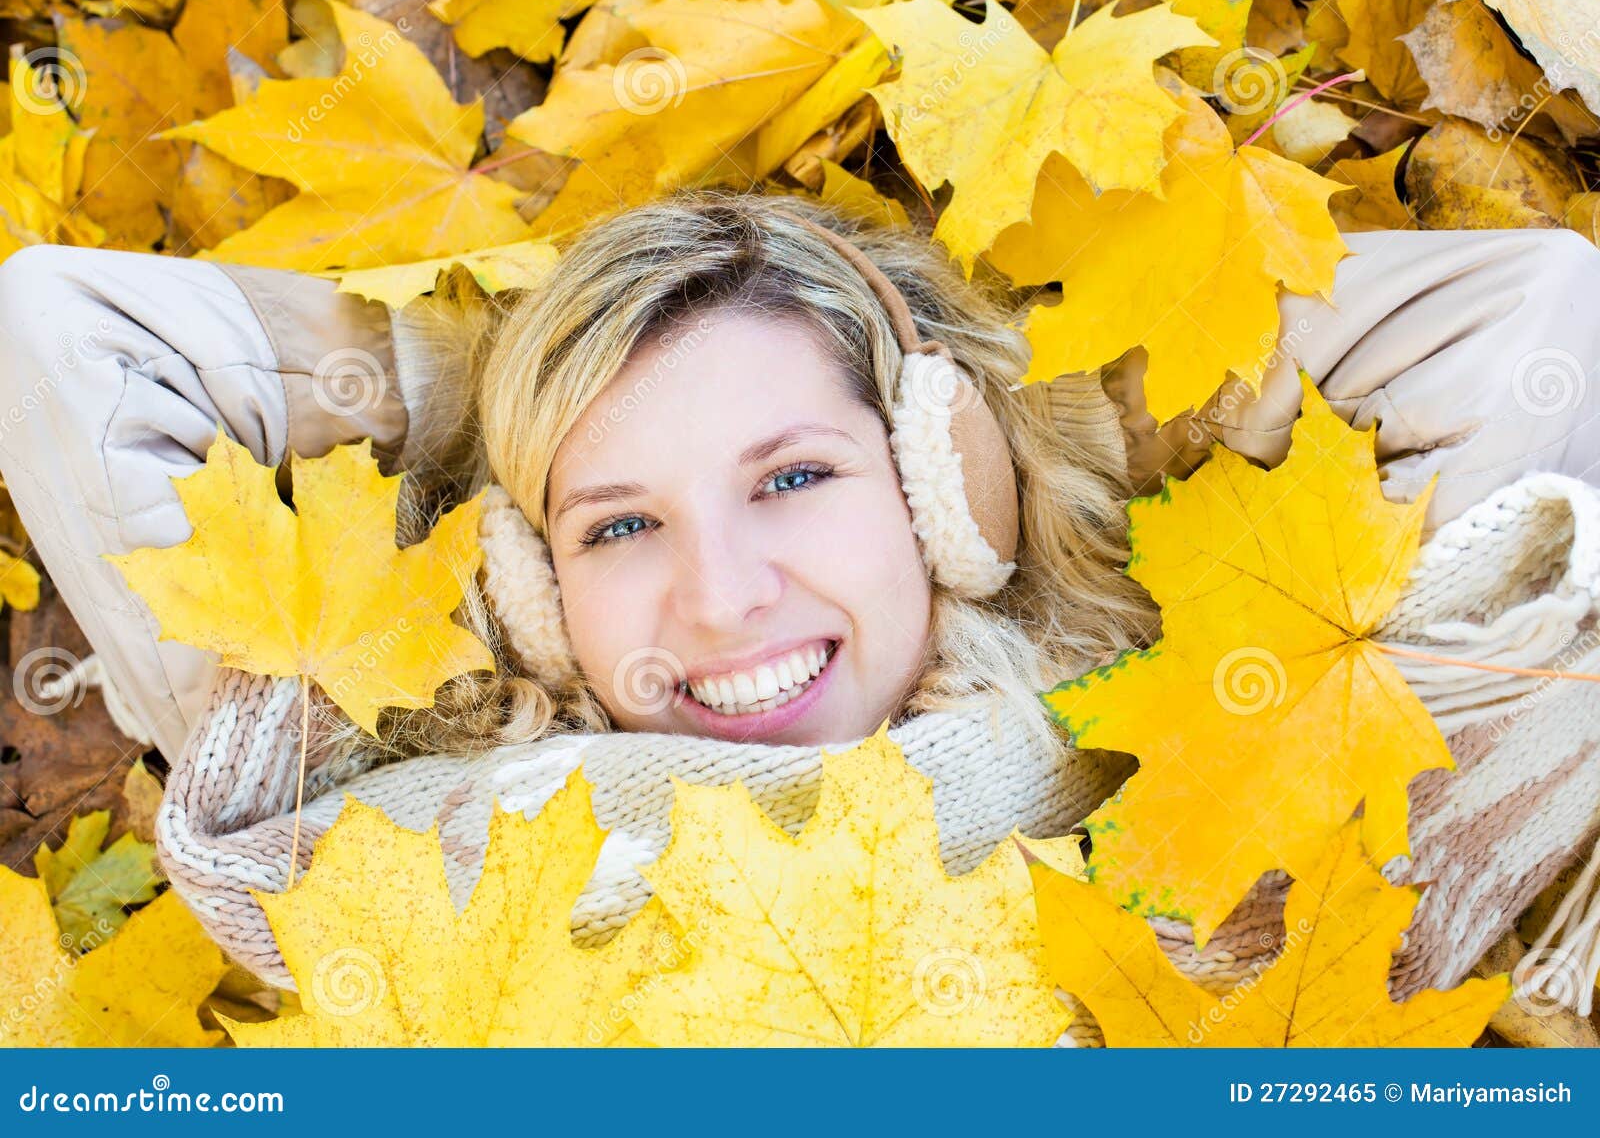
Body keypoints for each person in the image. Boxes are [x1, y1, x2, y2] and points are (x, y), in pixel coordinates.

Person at [2, 189, 1599, 1031]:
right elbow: (57, 329)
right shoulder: (373, 840)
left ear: (935, 485)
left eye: (792, 476)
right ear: (534, 592)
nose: (721, 596)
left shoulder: (1186, 762)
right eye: (619, 523)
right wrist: (477, 395)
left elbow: (1534, 306)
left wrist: (1049, 417)